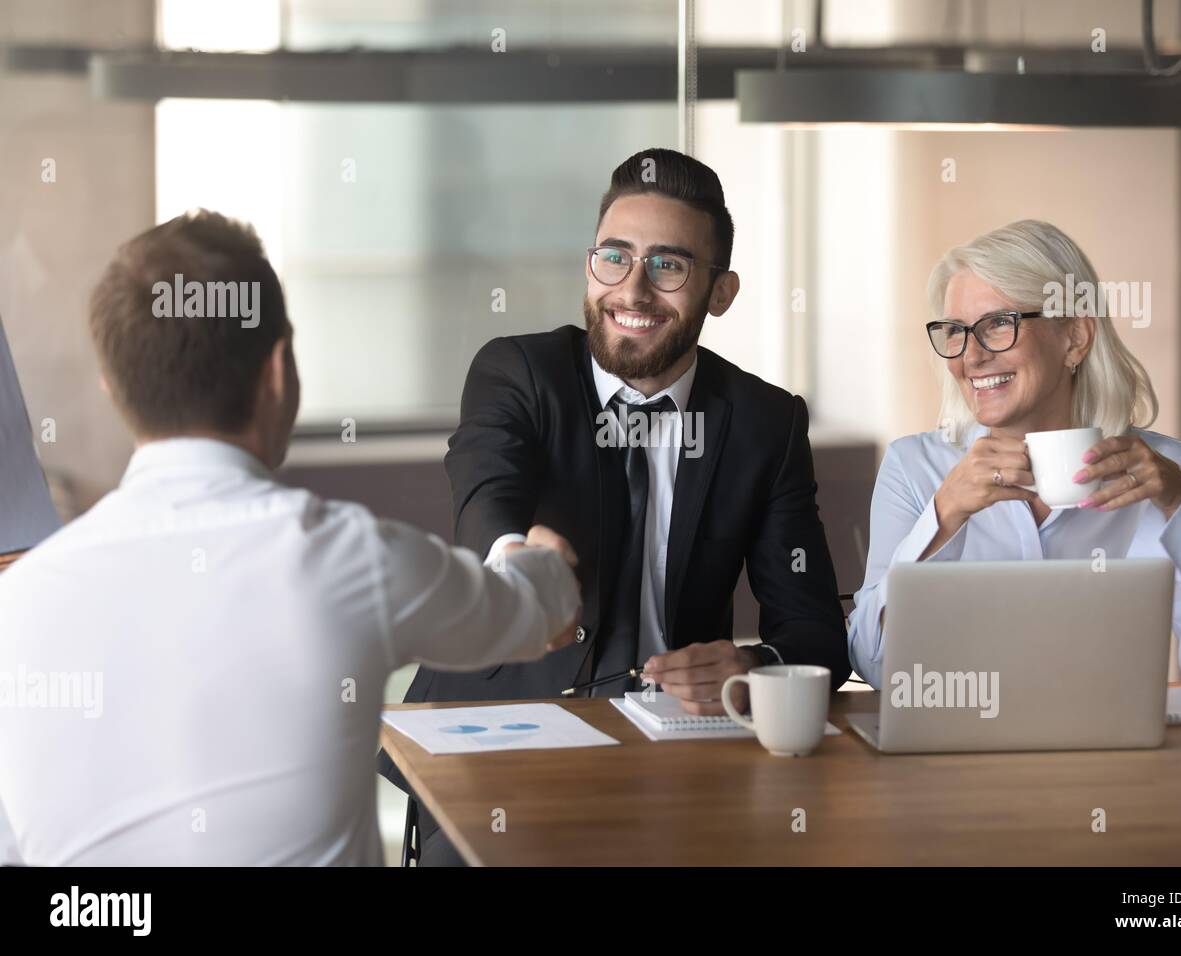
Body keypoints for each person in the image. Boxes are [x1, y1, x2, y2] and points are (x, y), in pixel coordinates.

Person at [0, 211, 581, 865]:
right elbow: (528, 614)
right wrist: (548, 567)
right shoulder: (350, 557)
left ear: (114, 387)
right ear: (278, 371)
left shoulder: (17, 604)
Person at [383, 147, 851, 864]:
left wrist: (754, 666)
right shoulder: (519, 373)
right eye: (614, 258)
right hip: (501, 733)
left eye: (668, 266)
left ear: (719, 292)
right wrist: (517, 562)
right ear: (589, 264)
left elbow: (815, 631)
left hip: (674, 751)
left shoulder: (764, 422)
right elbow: (487, 488)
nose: (632, 291)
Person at [848, 219, 1181, 690]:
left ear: (1074, 337)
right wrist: (943, 516)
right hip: (958, 752)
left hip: (1112, 755)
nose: (970, 357)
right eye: (955, 331)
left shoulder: (1162, 472)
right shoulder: (913, 467)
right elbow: (875, 664)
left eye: (997, 325)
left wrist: (1180, 509)